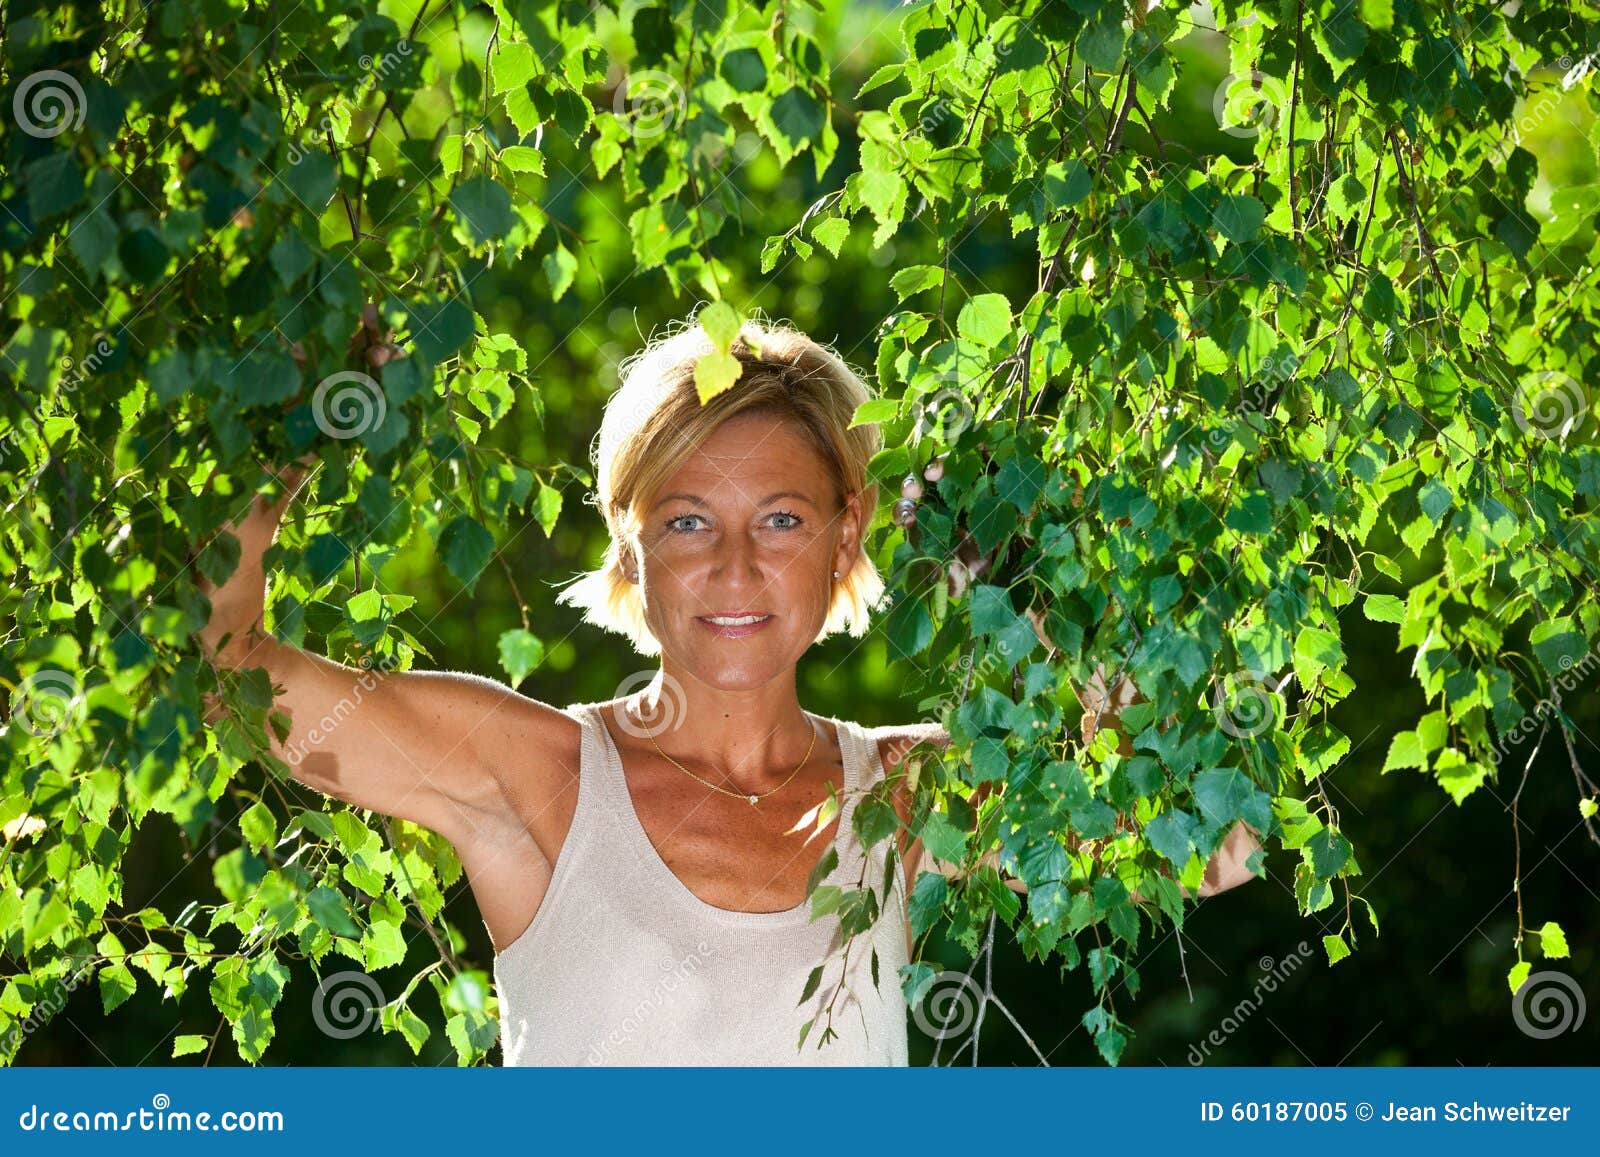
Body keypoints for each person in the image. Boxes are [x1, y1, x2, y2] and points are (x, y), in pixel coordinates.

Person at [196, 311, 1260, 1067]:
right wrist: (285, 435)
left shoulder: (904, 796)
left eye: (784, 519)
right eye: (690, 519)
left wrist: (1022, 601)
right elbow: (221, 674)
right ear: (632, 540)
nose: (737, 566)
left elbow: (1211, 847)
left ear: (847, 533)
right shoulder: (537, 772)